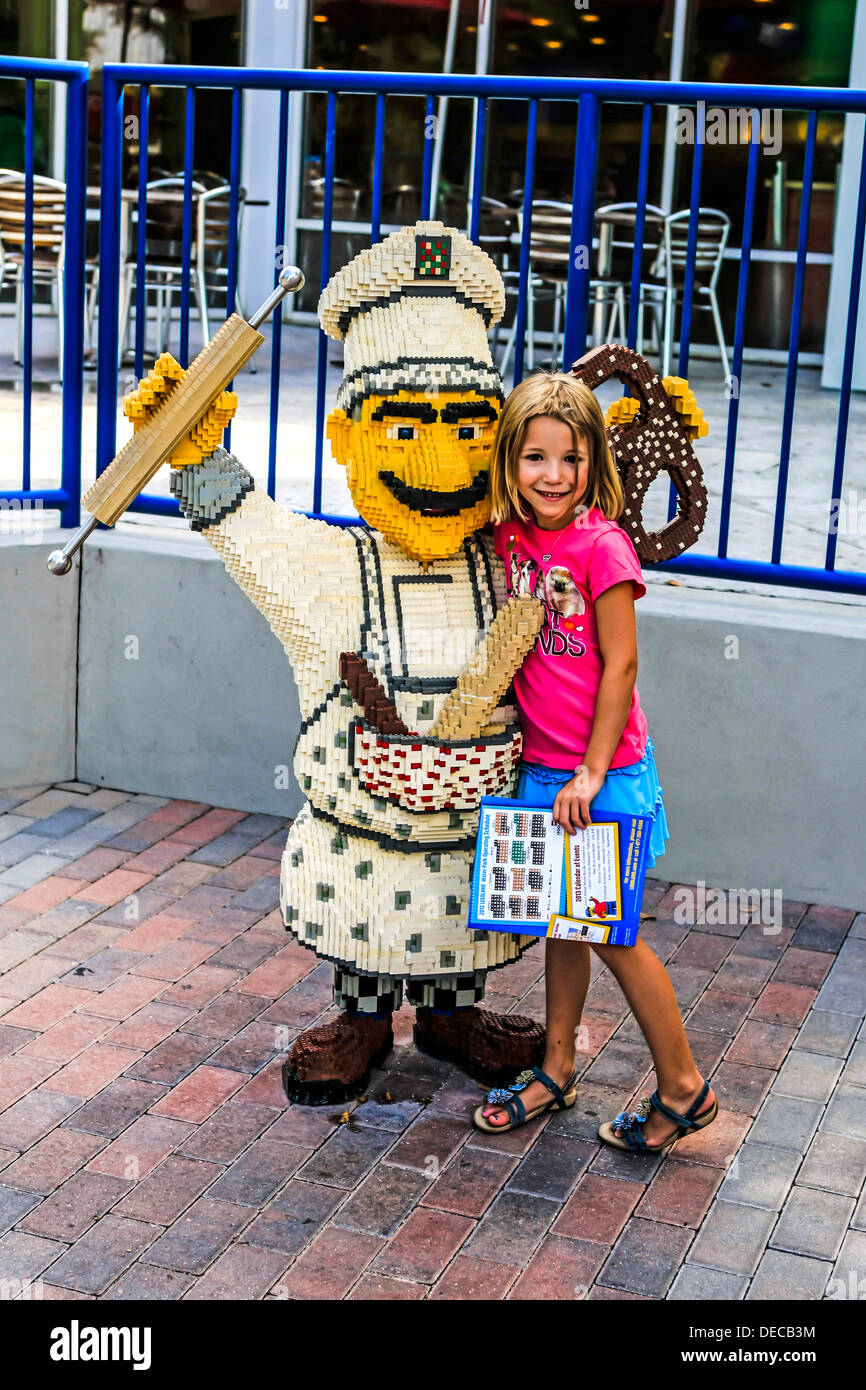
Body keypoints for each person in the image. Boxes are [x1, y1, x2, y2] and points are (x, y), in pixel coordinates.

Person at [473, 371, 719, 1154]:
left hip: (602, 777)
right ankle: (556, 1067)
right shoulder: (511, 536)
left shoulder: (601, 545)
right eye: (535, 457)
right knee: (565, 929)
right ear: (511, 460)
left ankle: (685, 1089)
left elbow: (620, 667)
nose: (552, 475)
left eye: (570, 459)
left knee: (612, 935)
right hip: (544, 772)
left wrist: (590, 772)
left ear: (593, 464)